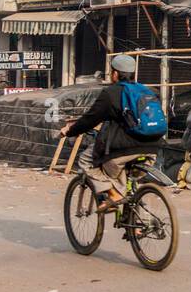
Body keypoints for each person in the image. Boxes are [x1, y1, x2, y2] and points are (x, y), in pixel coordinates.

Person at [59, 53, 165, 212]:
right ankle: (136, 228)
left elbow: (90, 119)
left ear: (115, 74)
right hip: (152, 150)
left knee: (86, 160)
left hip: (122, 151)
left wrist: (69, 131)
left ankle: (112, 194)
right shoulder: (147, 91)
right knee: (129, 185)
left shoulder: (111, 93)